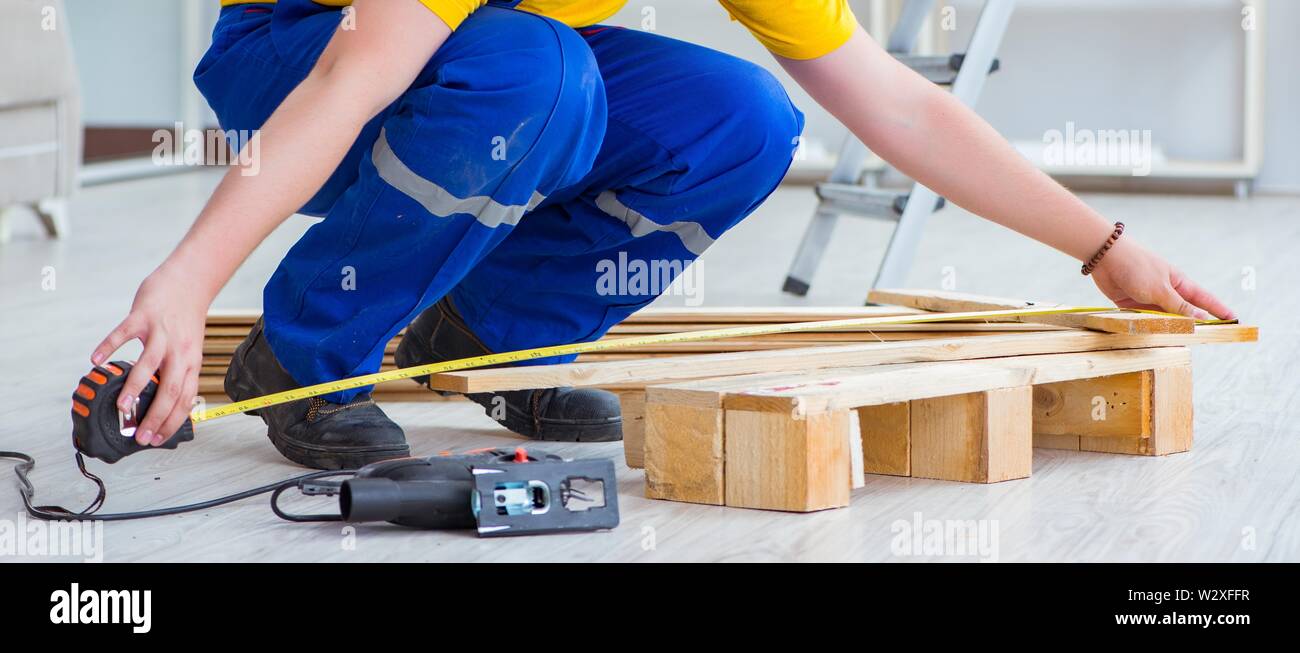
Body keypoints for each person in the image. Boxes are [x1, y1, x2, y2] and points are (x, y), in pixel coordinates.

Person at [92, 0, 1234, 469]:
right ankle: (307, 350)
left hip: (495, 67)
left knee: (742, 118)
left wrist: (1102, 246)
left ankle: (488, 334)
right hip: (291, 62)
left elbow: (897, 105)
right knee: (540, 74)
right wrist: (189, 282)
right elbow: (346, 78)